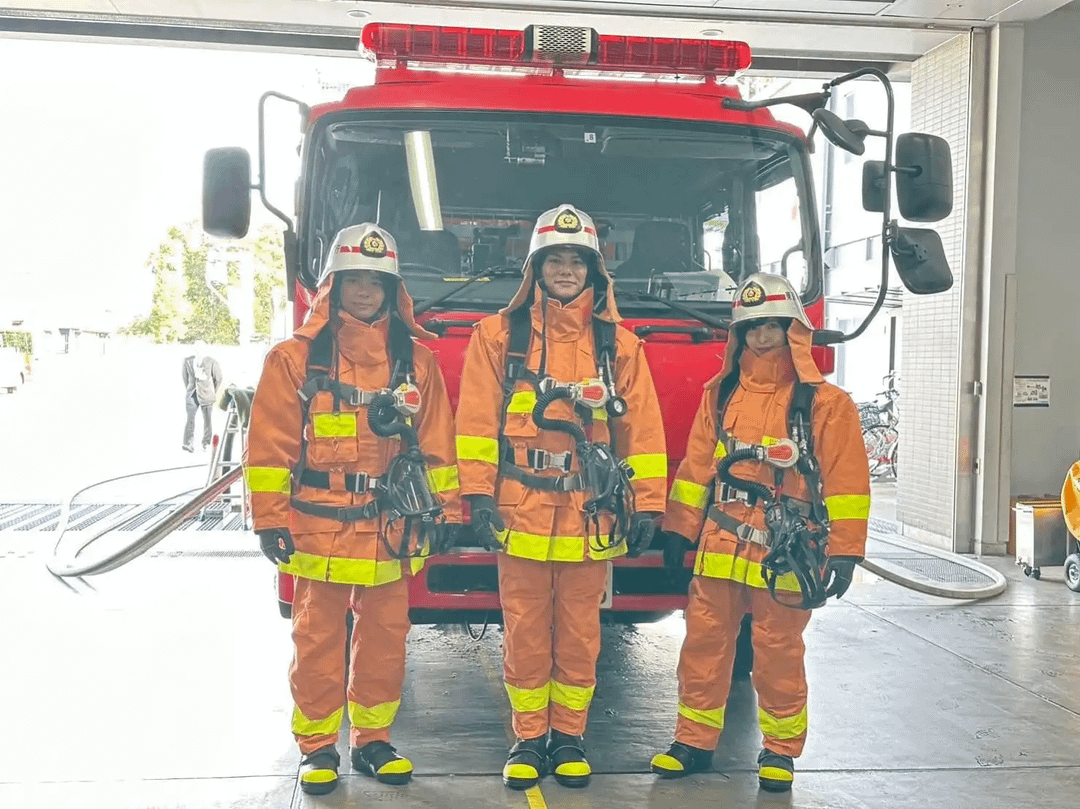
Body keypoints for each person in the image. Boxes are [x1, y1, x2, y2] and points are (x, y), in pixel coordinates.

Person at [244, 223, 461, 796]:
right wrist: (268, 518)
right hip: (316, 525)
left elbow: (439, 446)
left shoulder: (417, 362)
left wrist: (447, 514)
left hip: (391, 524)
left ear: (393, 290)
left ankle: (372, 740)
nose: (364, 291)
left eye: (376, 280)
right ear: (332, 286)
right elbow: (269, 448)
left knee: (387, 634)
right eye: (353, 280)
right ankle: (317, 748)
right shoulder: (293, 359)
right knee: (317, 637)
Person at [456, 204, 667, 790]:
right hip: (518, 505)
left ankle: (569, 736)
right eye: (556, 260)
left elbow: (641, 432)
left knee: (579, 629)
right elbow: (474, 422)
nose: (567, 270)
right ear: (536, 268)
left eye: (577, 261)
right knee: (523, 625)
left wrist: (649, 503)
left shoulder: (619, 346)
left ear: (595, 273)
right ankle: (529, 737)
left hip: (590, 511)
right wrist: (474, 496)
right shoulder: (498, 337)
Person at [649, 272, 870, 792]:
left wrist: (845, 550)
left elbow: (846, 482)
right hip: (721, 541)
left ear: (794, 328)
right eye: (753, 327)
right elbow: (698, 467)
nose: (763, 336)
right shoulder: (721, 394)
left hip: (788, 548)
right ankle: (692, 743)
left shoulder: (825, 403)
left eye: (773, 325)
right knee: (703, 643)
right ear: (739, 334)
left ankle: (779, 751)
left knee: (778, 650)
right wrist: (678, 529)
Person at [182, 340, 222, 452]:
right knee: (190, 419)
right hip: (192, 394)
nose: (198, 349)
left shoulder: (212, 361)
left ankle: (206, 443)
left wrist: (211, 390)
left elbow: (218, 378)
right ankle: (188, 443)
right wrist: (190, 389)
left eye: (201, 347)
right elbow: (185, 377)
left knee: (207, 420)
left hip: (206, 394)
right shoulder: (187, 361)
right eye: (196, 346)